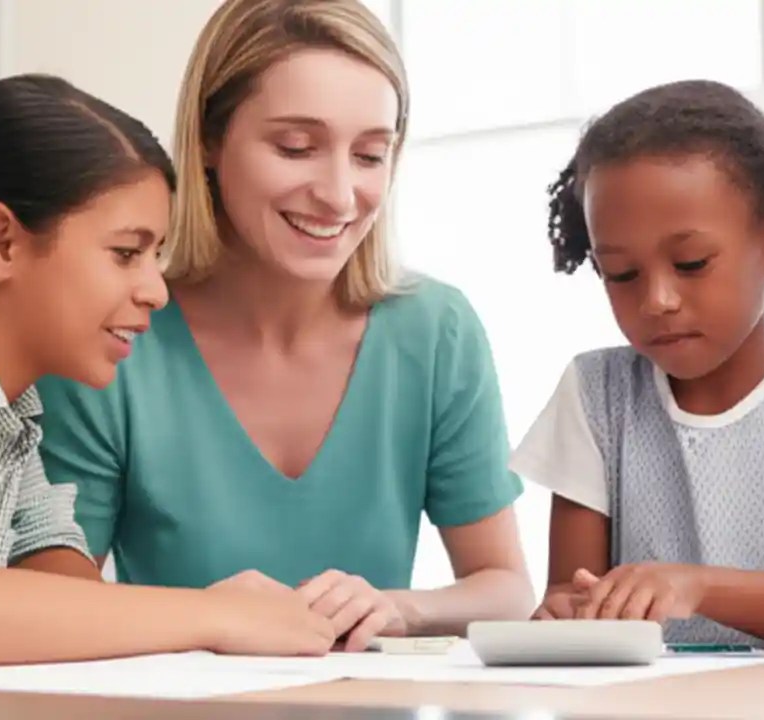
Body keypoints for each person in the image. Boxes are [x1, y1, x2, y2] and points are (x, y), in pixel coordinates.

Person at [36, 0, 533, 654]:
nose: (338, 193)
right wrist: (213, 618)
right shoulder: (119, 335)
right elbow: (49, 602)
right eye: (296, 147)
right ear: (210, 140)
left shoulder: (436, 331)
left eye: (370, 154)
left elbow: (506, 587)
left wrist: (395, 609)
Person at [0, 74, 335, 667]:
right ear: (1, 242)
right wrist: (219, 614)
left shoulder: (11, 407)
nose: (156, 291)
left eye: (155, 256)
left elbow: (55, 570)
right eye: (126, 254)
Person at [511, 80, 764, 648]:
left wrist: (695, 587)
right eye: (622, 274)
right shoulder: (594, 392)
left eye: (691, 262)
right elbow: (568, 592)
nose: (657, 299)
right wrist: (563, 612)